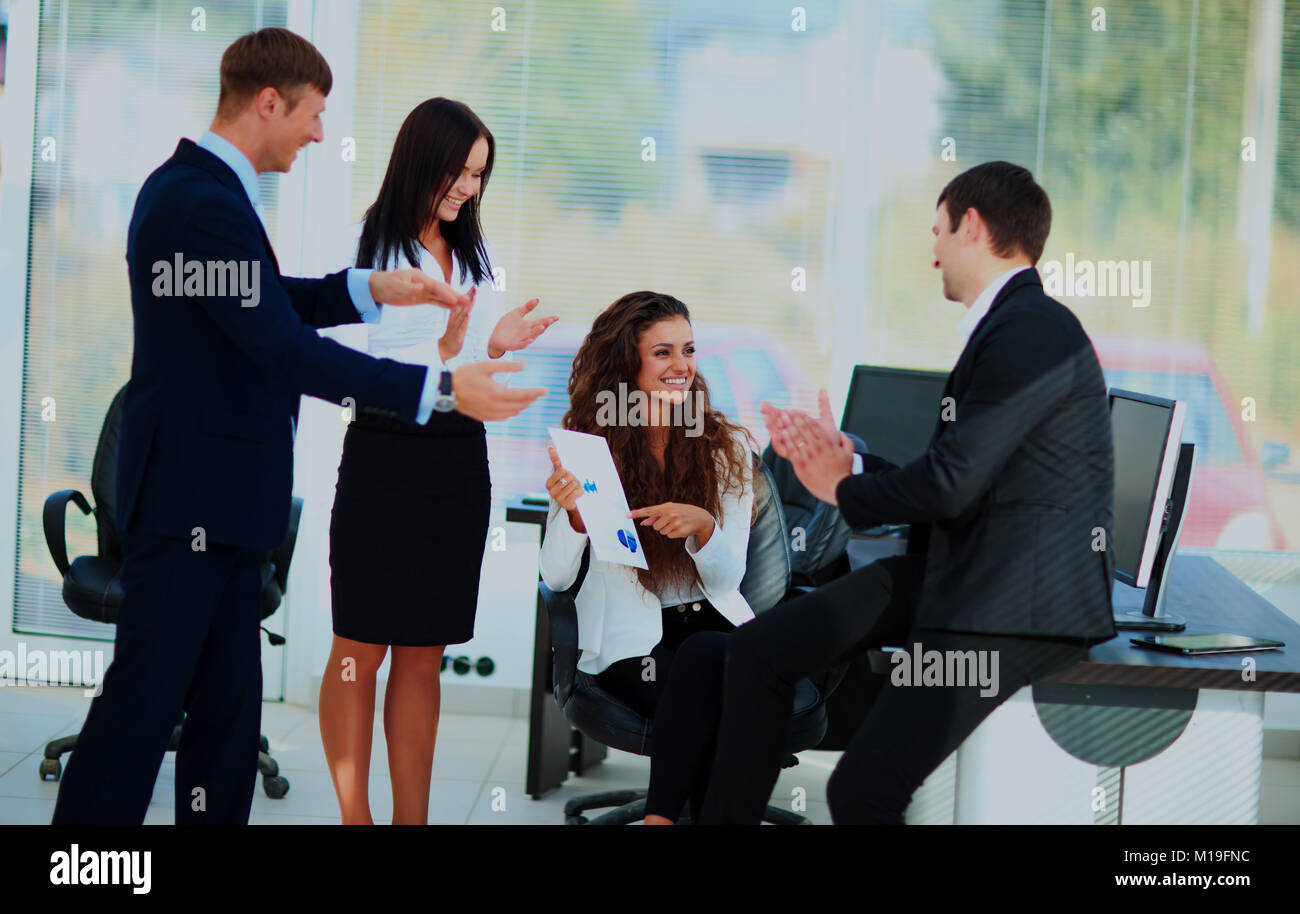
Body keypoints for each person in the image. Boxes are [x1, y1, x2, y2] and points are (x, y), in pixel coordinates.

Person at [51, 29, 543, 826]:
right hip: (189, 508)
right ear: (269, 102)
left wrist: (368, 289)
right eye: (313, 114)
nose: (320, 132)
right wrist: (442, 390)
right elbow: (283, 348)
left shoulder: (206, 193)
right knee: (137, 720)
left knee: (224, 727)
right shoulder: (195, 200)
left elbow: (267, 298)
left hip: (230, 510)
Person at [689, 160, 1116, 824]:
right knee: (758, 650)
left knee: (862, 790)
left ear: (970, 225)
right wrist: (850, 459)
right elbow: (959, 471)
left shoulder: (1030, 329)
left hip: (1012, 604)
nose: (934, 251)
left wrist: (843, 488)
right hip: (974, 570)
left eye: (938, 230)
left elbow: (950, 487)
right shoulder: (1014, 323)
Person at [320, 97, 557, 825]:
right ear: (422, 160)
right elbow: (356, 365)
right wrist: (449, 356)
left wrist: (495, 342)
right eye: (458, 171)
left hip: (457, 461)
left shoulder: (475, 251)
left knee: (425, 650)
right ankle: (355, 816)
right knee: (362, 645)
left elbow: (462, 363)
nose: (467, 188)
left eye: (480, 175)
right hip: (386, 457)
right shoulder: (373, 244)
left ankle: (409, 822)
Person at [539, 291, 758, 825]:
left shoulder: (723, 447)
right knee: (722, 695)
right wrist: (574, 518)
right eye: (662, 353)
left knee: (710, 654)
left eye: (688, 349)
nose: (681, 365)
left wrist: (704, 529)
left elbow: (731, 579)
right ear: (627, 365)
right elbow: (554, 576)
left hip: (714, 626)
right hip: (635, 641)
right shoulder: (591, 448)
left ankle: (659, 820)